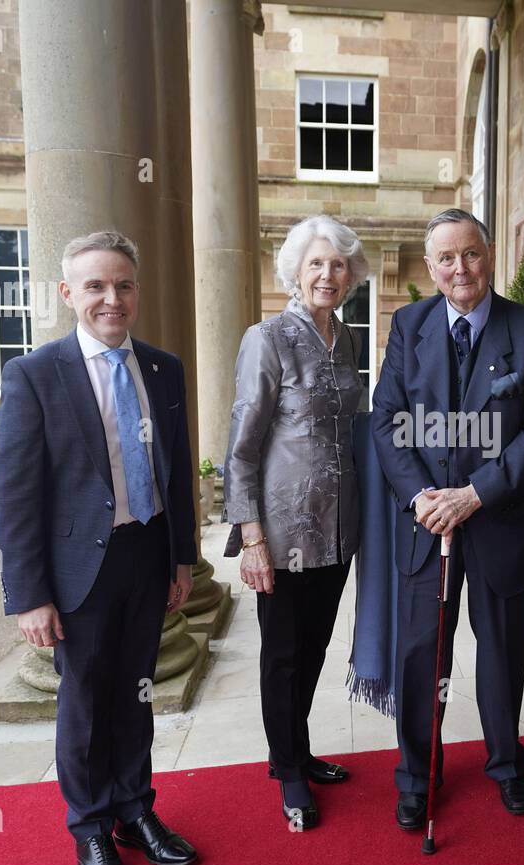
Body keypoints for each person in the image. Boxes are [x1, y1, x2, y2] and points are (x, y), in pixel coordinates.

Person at [0, 230, 199, 865]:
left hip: (146, 556)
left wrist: (182, 557)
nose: (112, 299)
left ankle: (136, 808)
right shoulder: (34, 375)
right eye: (96, 287)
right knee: (84, 701)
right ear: (68, 294)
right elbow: (15, 494)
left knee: (137, 689)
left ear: (137, 290)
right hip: (80, 568)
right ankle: (89, 824)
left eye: (124, 285)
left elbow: (177, 471)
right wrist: (29, 598)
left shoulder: (163, 368)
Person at [371, 208, 524, 829]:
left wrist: (474, 495)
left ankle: (507, 765)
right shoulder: (408, 325)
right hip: (429, 528)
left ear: (490, 256)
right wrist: (423, 497)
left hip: (499, 522)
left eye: (471, 254)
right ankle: (416, 777)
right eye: (447, 259)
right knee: (422, 655)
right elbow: (388, 422)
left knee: (503, 653)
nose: (461, 268)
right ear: (431, 268)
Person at [222, 215, 368, 830]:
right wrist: (250, 536)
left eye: (337, 265)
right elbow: (242, 446)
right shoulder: (268, 337)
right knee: (282, 652)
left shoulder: (351, 342)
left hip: (337, 529)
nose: (327, 275)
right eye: (316, 264)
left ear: (350, 274)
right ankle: (286, 772)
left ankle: (299, 750)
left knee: (314, 646)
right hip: (281, 533)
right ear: (295, 271)